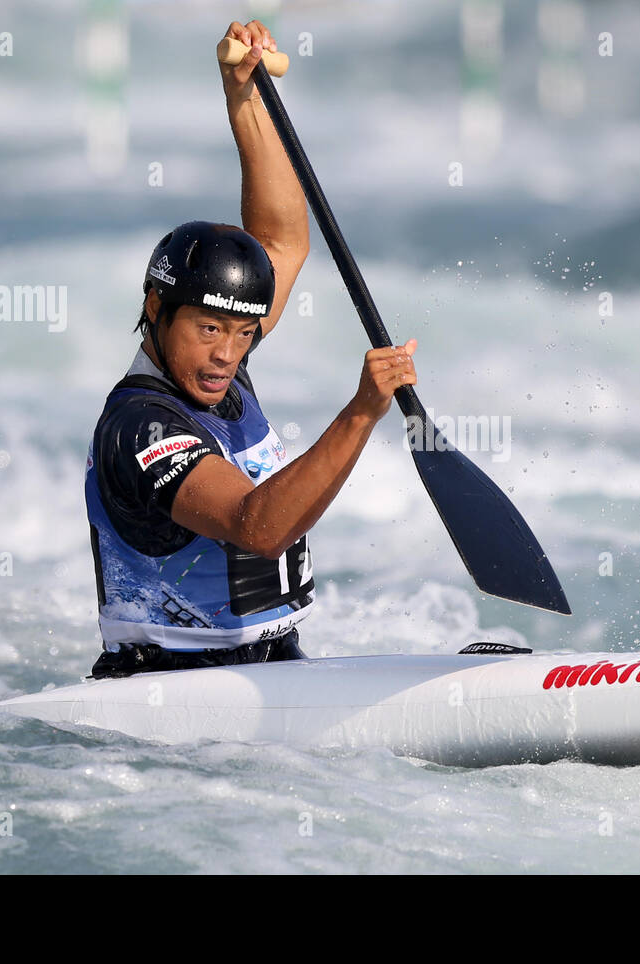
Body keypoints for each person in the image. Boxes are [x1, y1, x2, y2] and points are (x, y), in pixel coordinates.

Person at [85, 20, 417, 678]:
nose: (228, 354)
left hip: (271, 668)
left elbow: (283, 242)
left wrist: (245, 96)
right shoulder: (141, 428)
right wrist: (360, 413)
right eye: (208, 328)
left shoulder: (218, 366)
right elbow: (256, 526)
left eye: (243, 334)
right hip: (174, 688)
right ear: (156, 310)